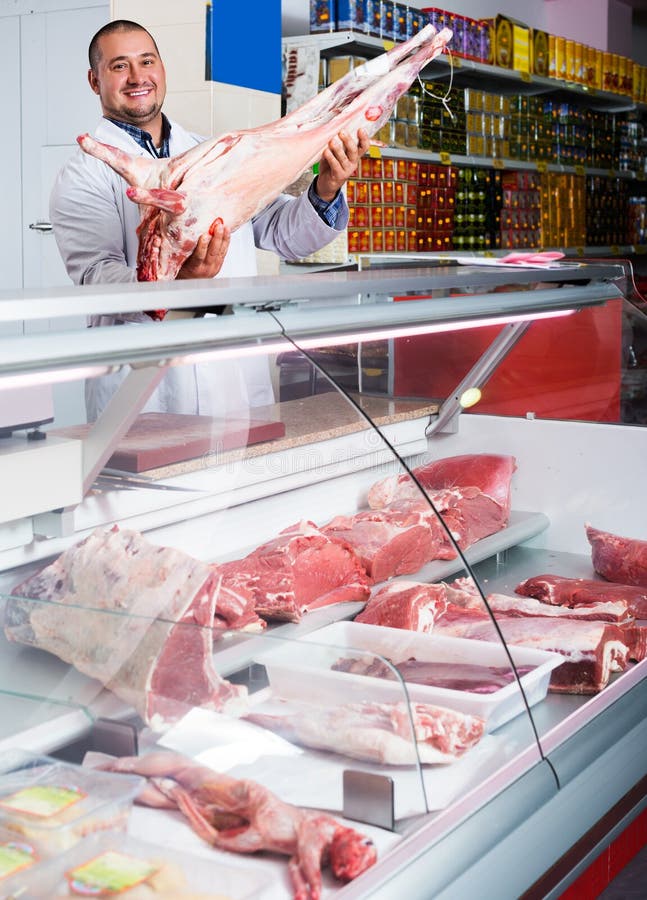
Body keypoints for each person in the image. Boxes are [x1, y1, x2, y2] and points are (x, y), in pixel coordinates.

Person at [50, 19, 370, 420]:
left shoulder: (212, 150)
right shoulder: (83, 173)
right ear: (95, 81)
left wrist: (325, 190)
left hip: (228, 374)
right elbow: (96, 278)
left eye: (146, 61)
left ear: (162, 69)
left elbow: (285, 235)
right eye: (119, 66)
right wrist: (178, 286)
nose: (137, 77)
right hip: (147, 386)